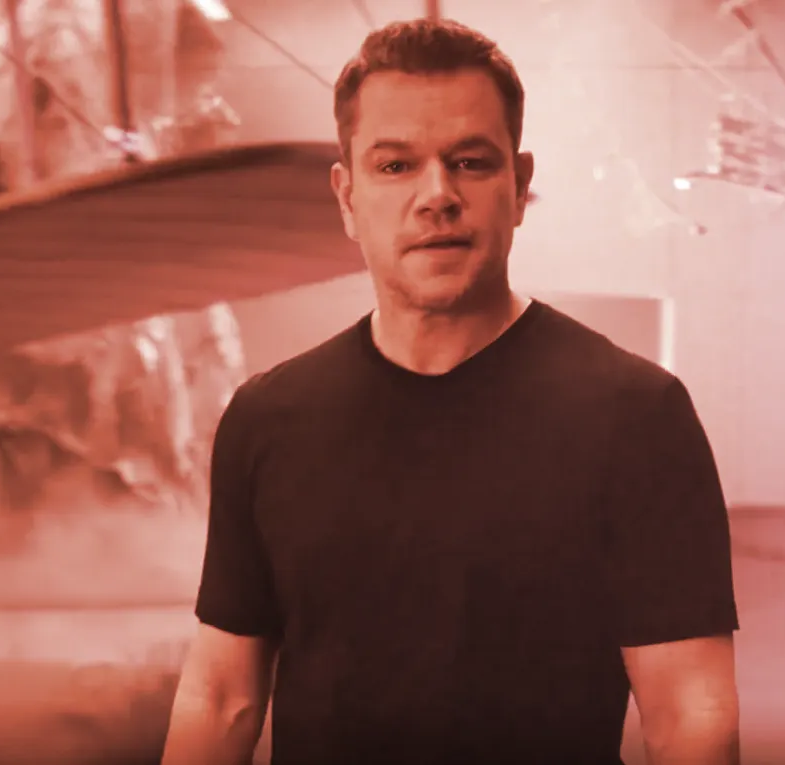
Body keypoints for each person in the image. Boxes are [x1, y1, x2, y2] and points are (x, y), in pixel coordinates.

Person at [161, 19, 740, 765]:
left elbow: (690, 715)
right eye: (395, 166)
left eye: (469, 162)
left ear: (519, 186)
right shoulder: (267, 419)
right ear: (347, 197)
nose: (436, 195)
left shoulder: (636, 417)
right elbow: (220, 698)